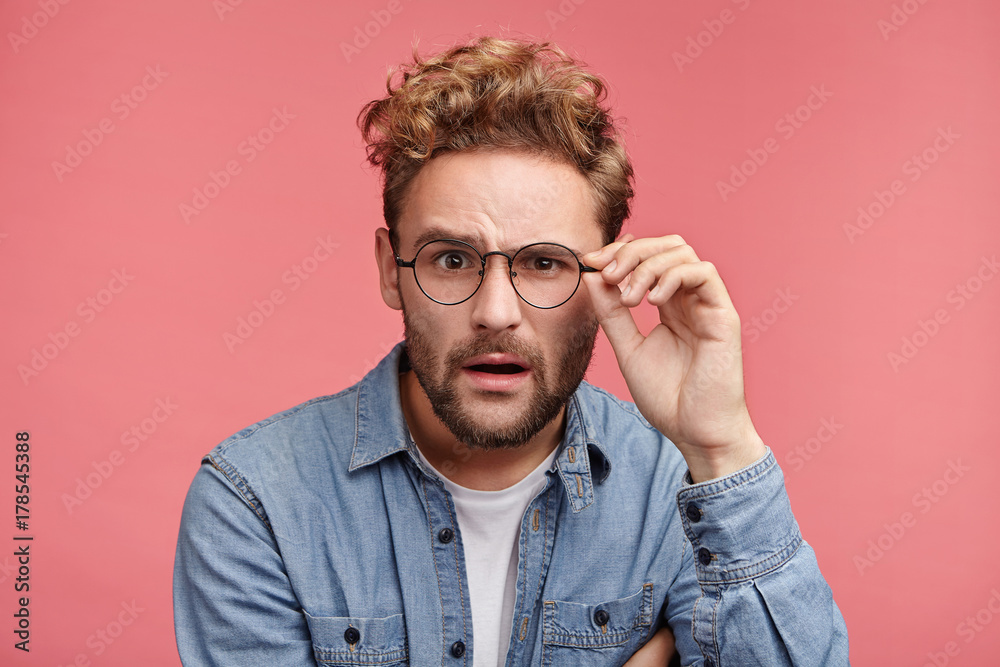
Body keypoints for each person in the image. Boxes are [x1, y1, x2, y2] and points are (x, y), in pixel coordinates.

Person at [173, 35, 849, 666]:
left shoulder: (676, 488)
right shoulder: (257, 500)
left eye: (546, 263)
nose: (495, 311)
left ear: (610, 278)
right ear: (391, 269)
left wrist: (723, 446)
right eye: (451, 259)